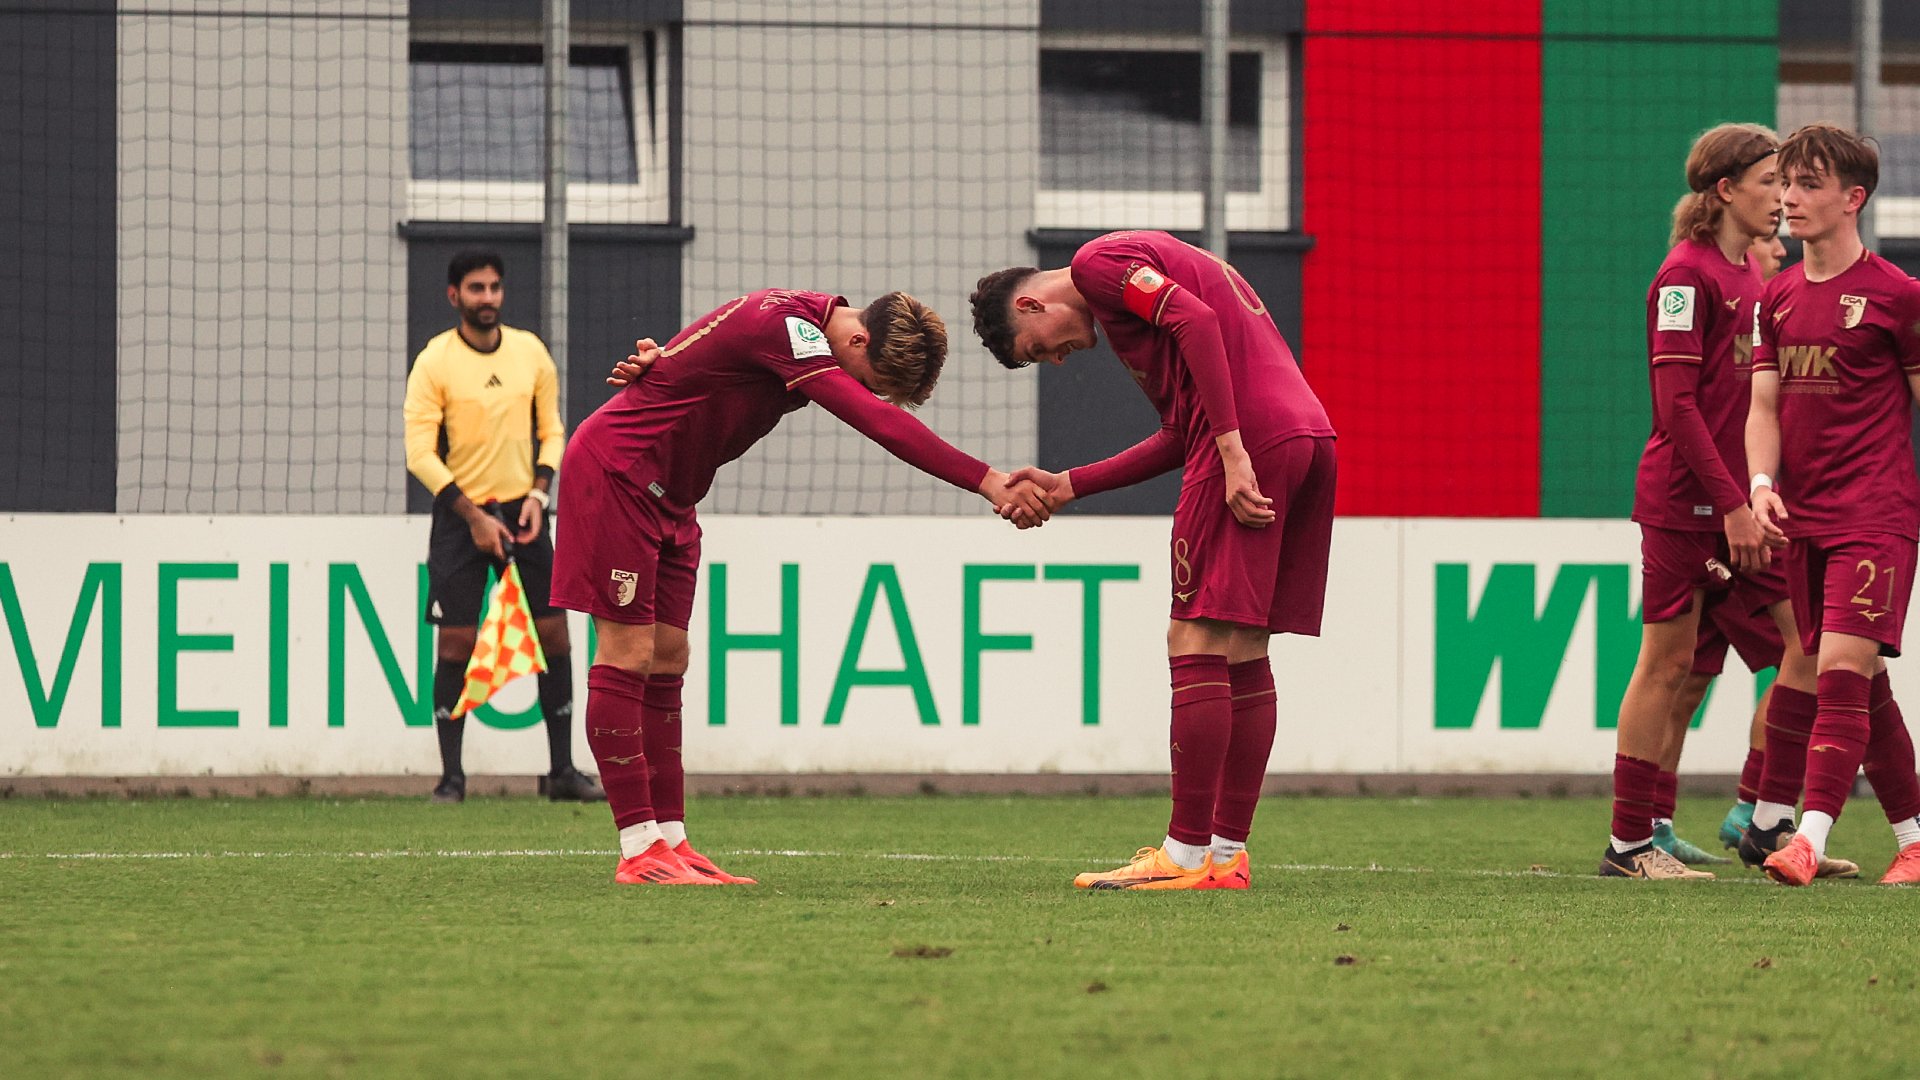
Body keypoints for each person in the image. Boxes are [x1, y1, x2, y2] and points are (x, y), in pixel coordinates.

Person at [571, 289, 1049, 886]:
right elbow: (879, 423)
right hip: (621, 471)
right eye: (869, 381)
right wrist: (987, 480)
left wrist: (659, 361)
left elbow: (697, 352)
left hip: (673, 494)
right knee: (628, 653)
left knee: (668, 657)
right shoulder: (789, 328)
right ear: (857, 340)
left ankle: (672, 841)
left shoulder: (805, 319)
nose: (863, 396)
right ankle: (639, 846)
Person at [970, 230, 1336, 891]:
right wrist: (1069, 484)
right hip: (1303, 432)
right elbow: (1179, 430)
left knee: (1192, 633)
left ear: (1030, 306)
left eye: (1036, 350)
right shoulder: (1133, 295)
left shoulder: (1097, 264)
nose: (1054, 361)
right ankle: (1225, 856)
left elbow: (1195, 325)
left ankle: (1186, 854)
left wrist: (1230, 451)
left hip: (1251, 439)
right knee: (1243, 645)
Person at [1747, 123, 1920, 886]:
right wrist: (1759, 486)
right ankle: (1915, 838)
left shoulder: (1900, 297)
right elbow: (1763, 408)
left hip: (1875, 515)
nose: (1788, 198)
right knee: (1864, 687)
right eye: (1786, 182)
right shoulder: (1777, 295)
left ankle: (1805, 838)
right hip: (1804, 519)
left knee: (1841, 670)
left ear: (1853, 199)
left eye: (1808, 184)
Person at [403, 250, 604, 805]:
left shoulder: (529, 352)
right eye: (475, 289)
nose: (487, 298)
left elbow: (553, 431)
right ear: (454, 296)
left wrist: (541, 494)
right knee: (457, 642)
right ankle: (452, 778)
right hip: (460, 515)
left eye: (494, 287)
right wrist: (471, 517)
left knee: (554, 633)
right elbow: (419, 453)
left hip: (524, 512)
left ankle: (562, 771)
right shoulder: (435, 362)